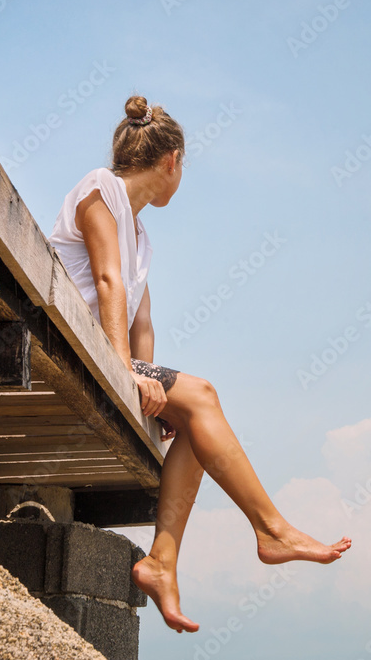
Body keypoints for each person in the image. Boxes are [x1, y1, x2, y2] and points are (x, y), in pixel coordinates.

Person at [48, 95, 351, 634]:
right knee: (205, 395)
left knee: (195, 423)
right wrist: (129, 375)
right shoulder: (101, 188)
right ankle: (272, 529)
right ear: (172, 160)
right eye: (184, 167)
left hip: (102, 355)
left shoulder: (140, 237)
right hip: (62, 344)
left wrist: (146, 389)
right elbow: (107, 284)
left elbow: (141, 324)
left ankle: (163, 561)